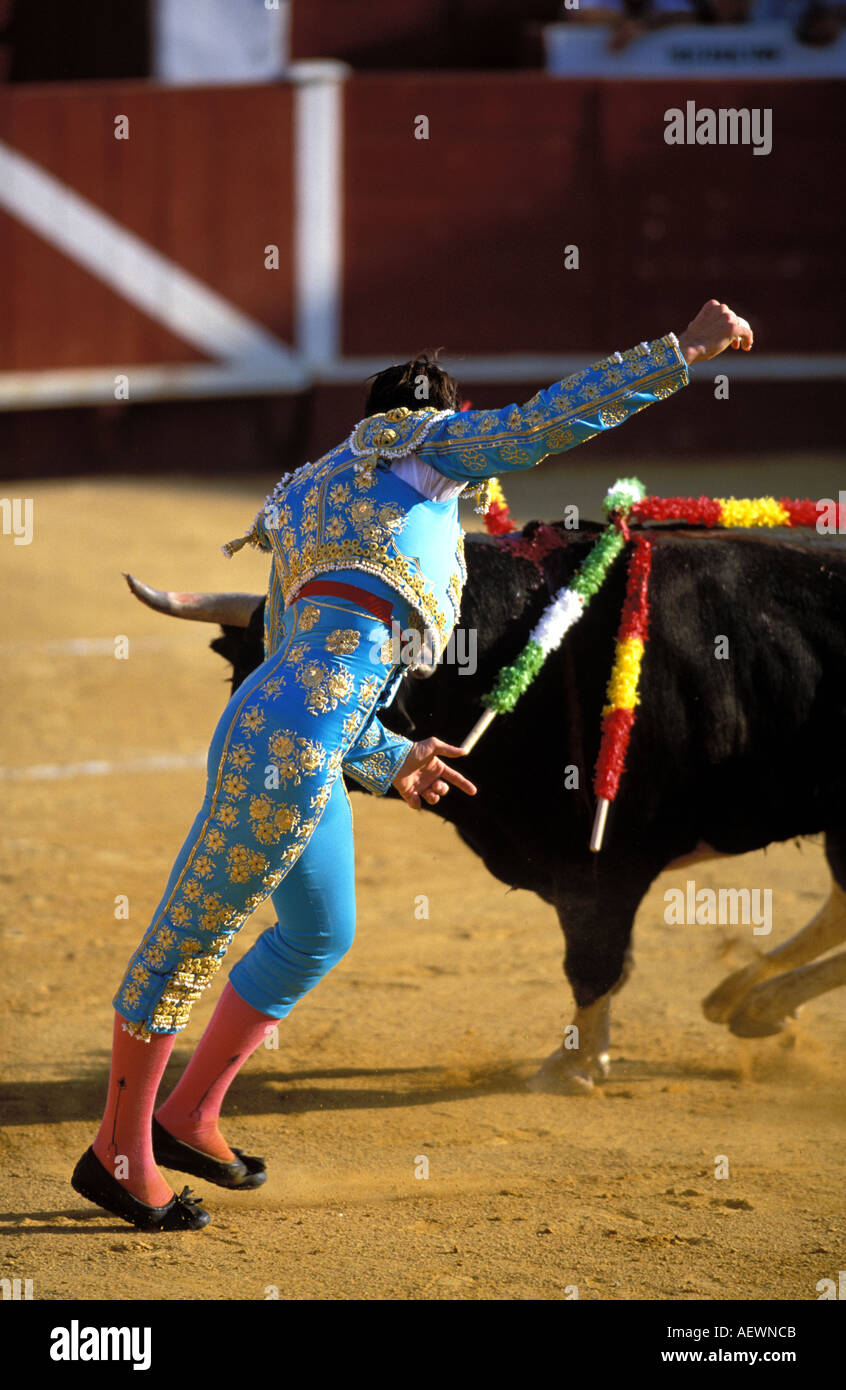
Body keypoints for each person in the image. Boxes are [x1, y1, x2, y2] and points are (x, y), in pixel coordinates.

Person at [71, 299, 752, 1230]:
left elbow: (307, 664)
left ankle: (189, 1111)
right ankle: (118, 1149)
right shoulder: (424, 446)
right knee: (189, 938)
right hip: (291, 744)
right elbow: (547, 422)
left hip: (290, 730)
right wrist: (682, 352)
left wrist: (390, 755)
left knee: (318, 930)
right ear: (436, 415)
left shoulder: (306, 494)